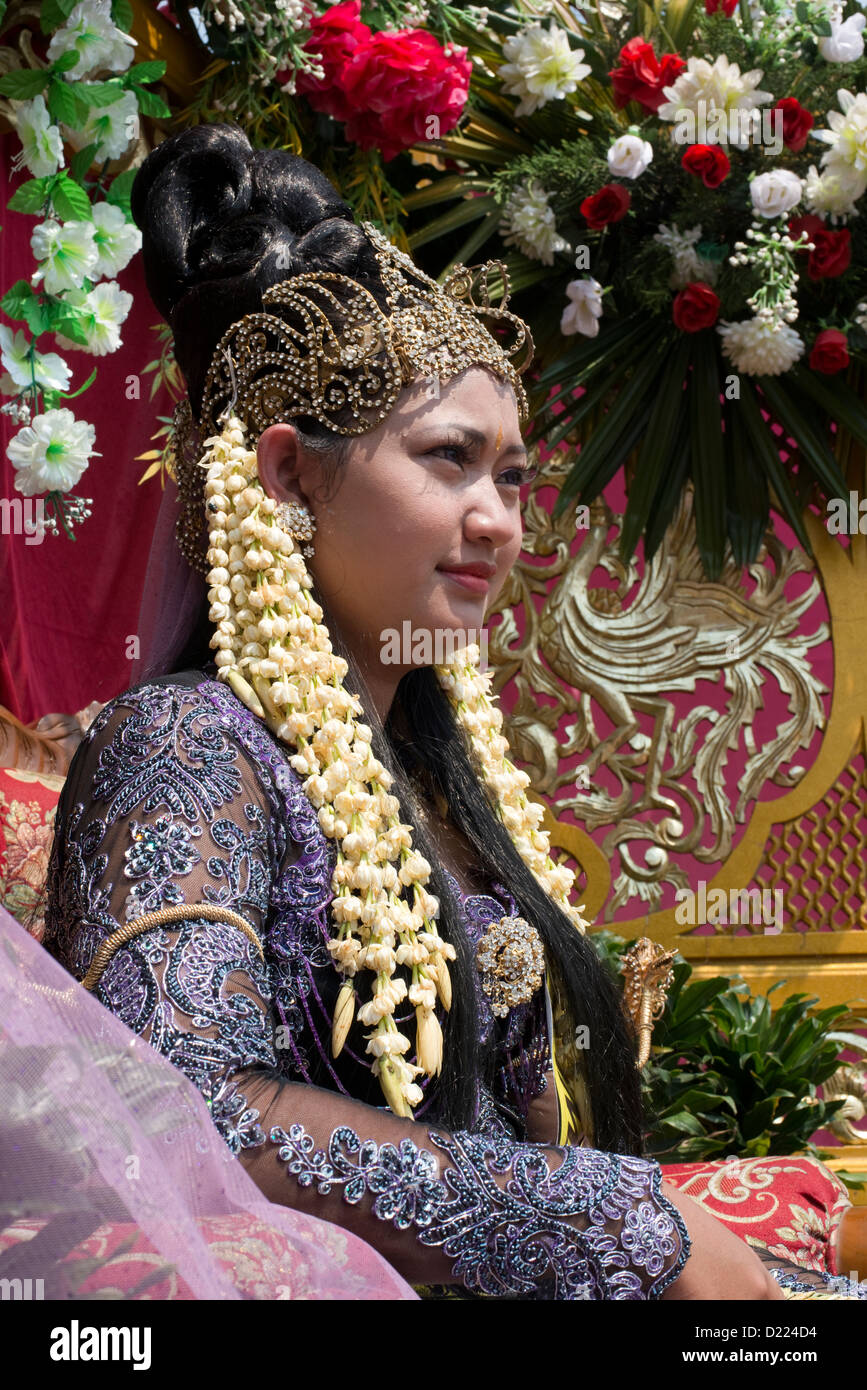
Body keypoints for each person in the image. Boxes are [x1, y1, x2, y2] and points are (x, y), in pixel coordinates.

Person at [38, 123, 862, 1300]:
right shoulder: (185, 746)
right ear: (289, 475)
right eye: (449, 460)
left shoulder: (432, 783)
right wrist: (626, 1225)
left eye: (513, 476)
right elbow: (177, 1105)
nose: (498, 521)